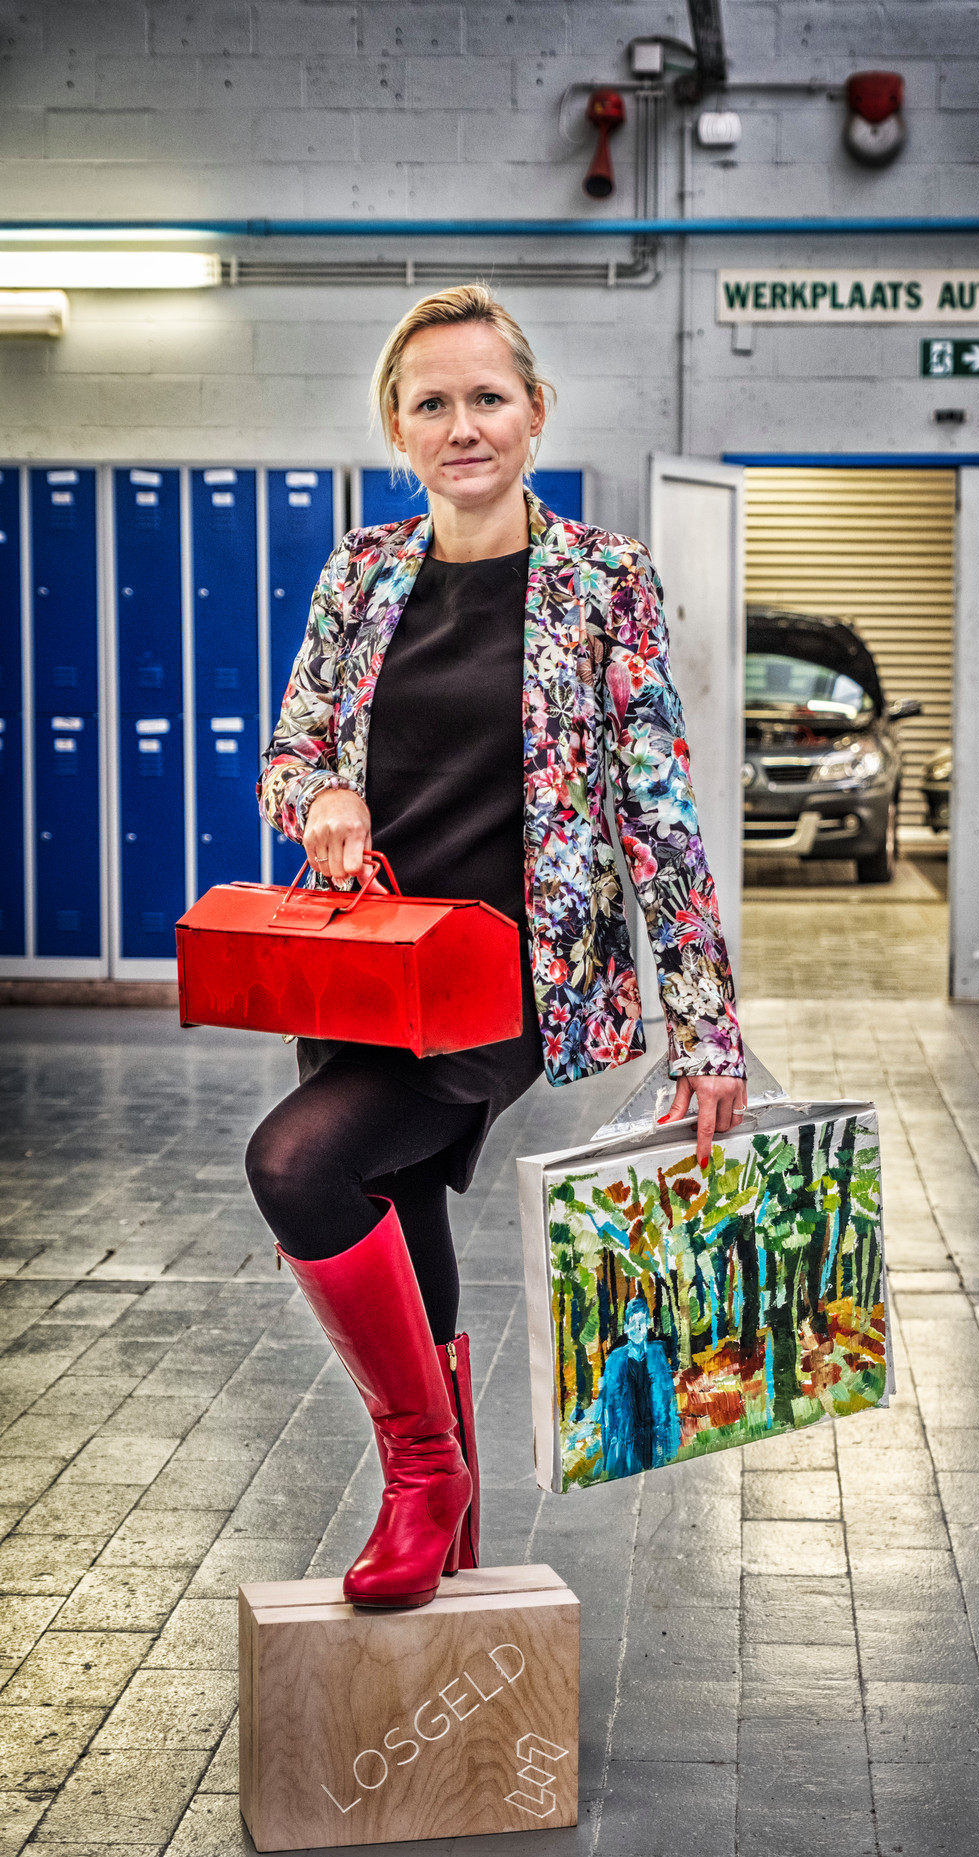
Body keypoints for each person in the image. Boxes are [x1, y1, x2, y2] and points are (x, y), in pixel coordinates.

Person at [244, 284, 746, 1610]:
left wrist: (707, 1033)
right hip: (371, 967)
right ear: (398, 429)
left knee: (298, 1164)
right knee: (395, 1208)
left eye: (486, 397)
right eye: (431, 403)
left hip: (505, 987)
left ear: (535, 412)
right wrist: (322, 798)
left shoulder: (603, 581)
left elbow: (660, 817)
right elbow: (293, 754)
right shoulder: (364, 569)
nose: (461, 424)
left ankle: (425, 1475)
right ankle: (446, 1531)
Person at [599, 1294, 681, 1479]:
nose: (638, 1327)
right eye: (633, 1323)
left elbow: (668, 1400)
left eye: (642, 1322)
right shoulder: (615, 1361)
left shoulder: (657, 1354)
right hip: (628, 1434)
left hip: (654, 1431)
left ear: (648, 1323)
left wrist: (670, 1436)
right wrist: (611, 1444)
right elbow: (608, 1407)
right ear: (626, 1327)